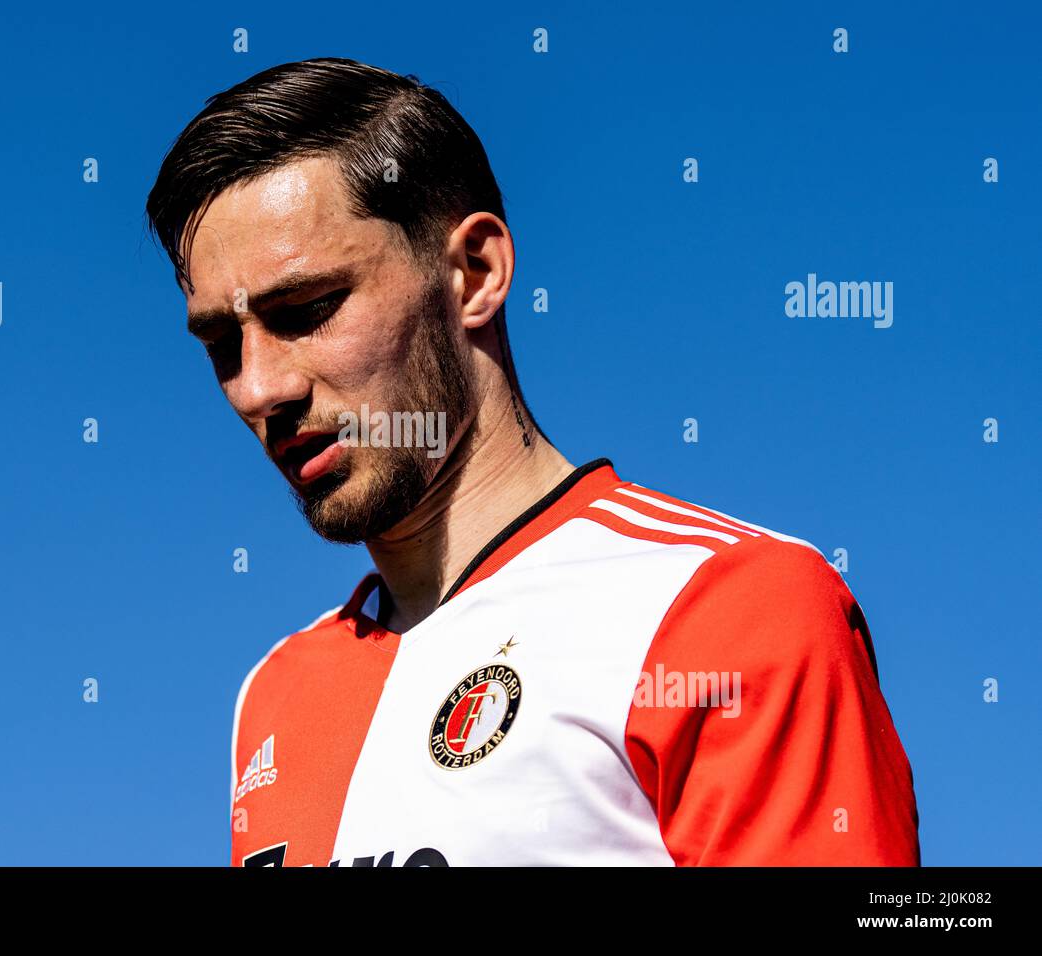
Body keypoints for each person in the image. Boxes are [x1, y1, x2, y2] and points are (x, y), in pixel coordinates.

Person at [146, 57, 920, 867]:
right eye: (223, 345)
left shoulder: (723, 607)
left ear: (474, 273)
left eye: (306, 311)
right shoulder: (274, 695)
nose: (260, 389)